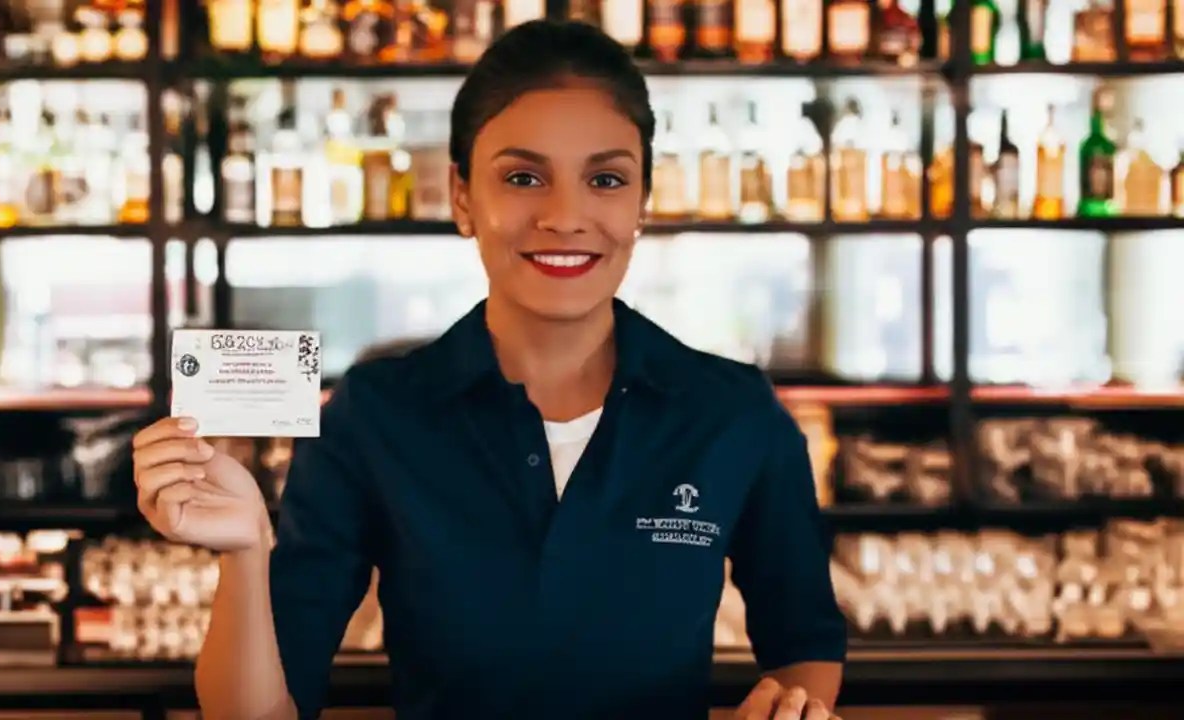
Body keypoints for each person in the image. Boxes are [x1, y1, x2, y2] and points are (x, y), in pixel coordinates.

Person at [132, 19, 847, 720]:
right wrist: (246, 551)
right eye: (523, 176)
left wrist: (791, 707)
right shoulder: (375, 414)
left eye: (605, 178)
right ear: (463, 198)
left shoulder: (732, 412)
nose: (566, 215)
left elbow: (803, 643)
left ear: (642, 204)